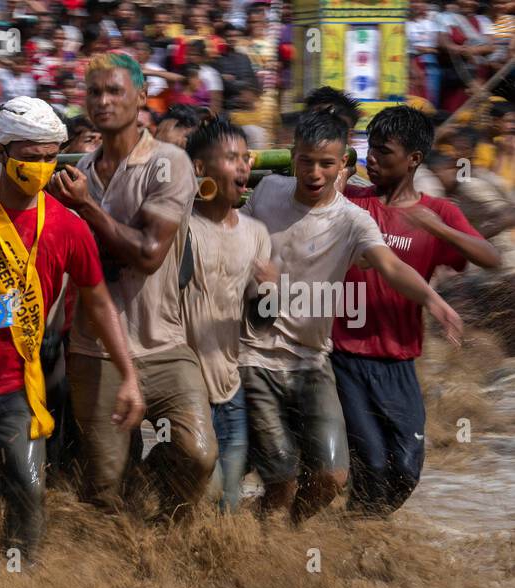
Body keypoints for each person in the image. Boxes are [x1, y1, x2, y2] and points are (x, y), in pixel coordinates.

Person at [0, 97, 142, 562]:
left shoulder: (68, 227)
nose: (41, 167)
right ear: (1, 153)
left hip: (16, 389)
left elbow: (100, 302)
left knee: (29, 491)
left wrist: (129, 376)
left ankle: (21, 579)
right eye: (30, 157)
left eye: (49, 157)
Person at [238, 110, 463, 523]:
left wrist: (434, 300)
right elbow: (234, 236)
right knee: (282, 476)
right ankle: (262, 534)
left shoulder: (353, 220)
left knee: (332, 476)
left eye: (326, 164)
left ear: (343, 163)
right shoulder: (268, 190)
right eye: (306, 161)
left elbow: (391, 267)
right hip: (254, 354)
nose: (315, 173)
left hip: (312, 359)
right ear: (293, 156)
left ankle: (291, 534)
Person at [48, 52, 218, 519]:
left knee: (199, 455)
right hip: (95, 348)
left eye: (114, 91)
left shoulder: (169, 163)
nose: (103, 101)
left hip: (165, 343)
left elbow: (147, 254)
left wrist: (87, 208)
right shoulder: (78, 171)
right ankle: (114, 554)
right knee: (103, 485)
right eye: (94, 93)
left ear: (142, 97)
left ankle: (161, 520)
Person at [336, 106, 495, 515]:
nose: (372, 158)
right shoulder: (352, 201)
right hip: (344, 356)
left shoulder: (440, 213)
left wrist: (438, 228)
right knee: (372, 463)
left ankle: (358, 527)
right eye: (370, 149)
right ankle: (352, 533)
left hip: (400, 359)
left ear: (413, 159)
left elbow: (490, 257)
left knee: (406, 469)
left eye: (383, 152)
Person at [181, 118, 272, 512]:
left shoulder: (256, 233)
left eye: (246, 158)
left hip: (229, 385)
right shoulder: (179, 228)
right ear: (200, 168)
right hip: (184, 387)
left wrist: (269, 291)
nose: (243, 167)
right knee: (207, 489)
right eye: (232, 158)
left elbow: (261, 322)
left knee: (229, 502)